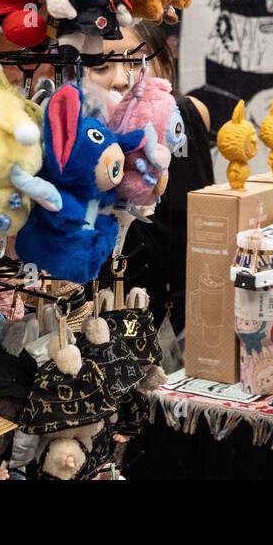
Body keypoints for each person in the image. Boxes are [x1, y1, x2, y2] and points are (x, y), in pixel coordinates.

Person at [87, 22, 213, 350]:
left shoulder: (193, 114)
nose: (120, 78)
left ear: (164, 66)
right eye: (100, 66)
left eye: (135, 62)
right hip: (106, 327)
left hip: (193, 323)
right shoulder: (81, 143)